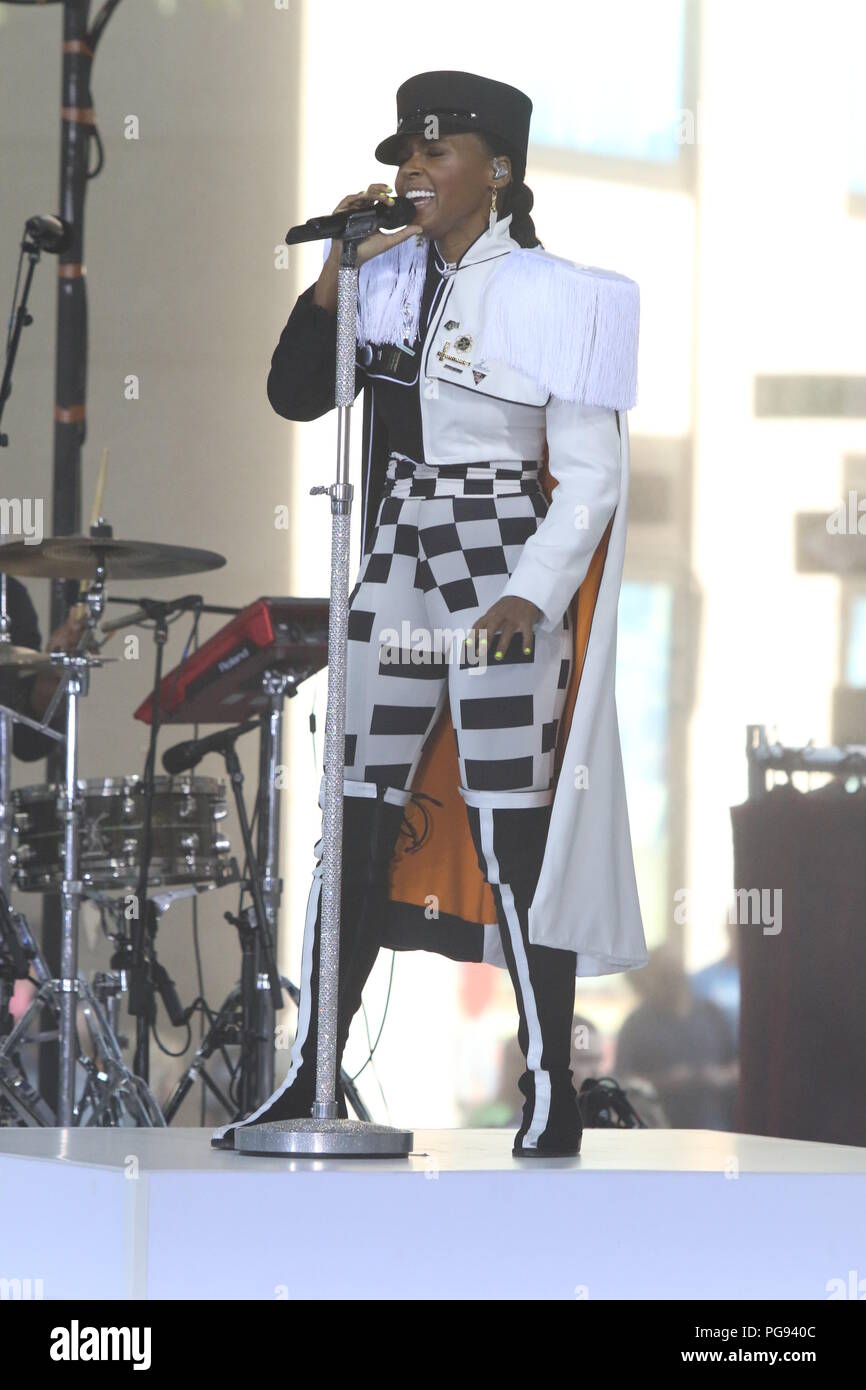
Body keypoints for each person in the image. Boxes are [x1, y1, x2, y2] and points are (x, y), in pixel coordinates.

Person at [214, 71, 646, 1157]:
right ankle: (312, 1076)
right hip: (398, 543)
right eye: (405, 150)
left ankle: (549, 1083)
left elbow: (589, 476)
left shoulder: (563, 293)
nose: (411, 169)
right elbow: (294, 393)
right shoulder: (383, 276)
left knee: (510, 822)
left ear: (496, 171)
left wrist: (526, 593)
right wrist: (334, 273)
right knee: (354, 813)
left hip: (502, 548)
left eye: (437, 150)